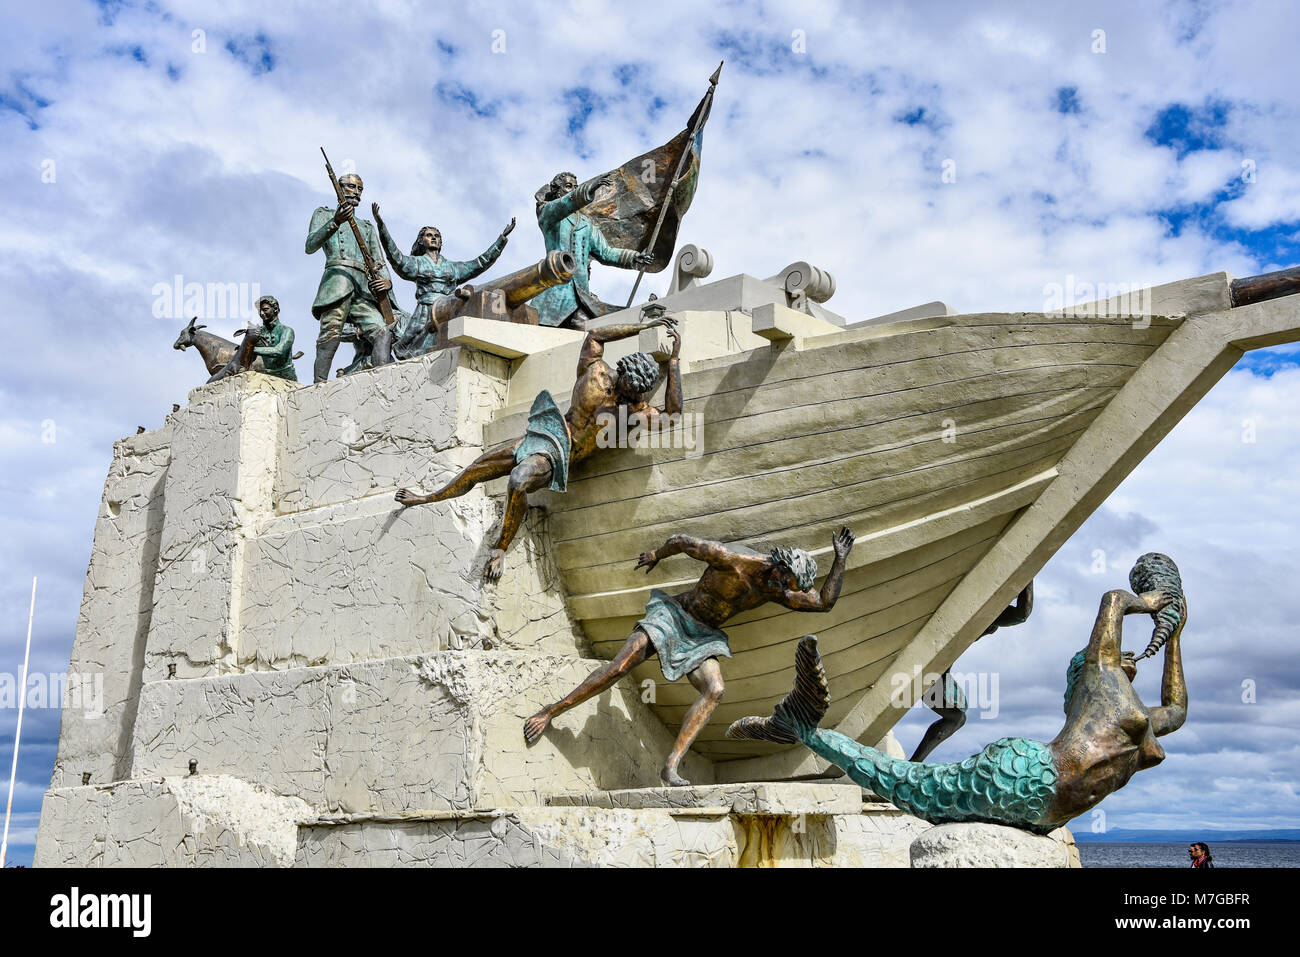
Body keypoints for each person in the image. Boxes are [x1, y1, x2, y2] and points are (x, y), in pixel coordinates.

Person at [729, 553, 1188, 835]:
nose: (1126, 658)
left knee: (922, 770)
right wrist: (1151, 602)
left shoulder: (1136, 715)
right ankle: (804, 730)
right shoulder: (1098, 679)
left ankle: (801, 728)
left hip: (1046, 810)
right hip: (1028, 778)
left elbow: (1177, 710)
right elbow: (1112, 600)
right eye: (1116, 654)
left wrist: (1175, 637)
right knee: (915, 787)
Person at [525, 526, 855, 787]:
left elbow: (823, 603)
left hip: (702, 636)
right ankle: (550, 711)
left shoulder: (777, 589)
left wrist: (840, 559)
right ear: (780, 565)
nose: (786, 590)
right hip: (674, 616)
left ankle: (671, 766)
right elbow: (683, 541)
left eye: (792, 586)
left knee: (715, 690)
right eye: (786, 581)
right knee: (619, 668)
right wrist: (657, 553)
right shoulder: (734, 561)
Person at [395, 309, 682, 581]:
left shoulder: (630, 412)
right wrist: (643, 326)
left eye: (633, 394)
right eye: (626, 389)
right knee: (478, 467)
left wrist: (674, 363)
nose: (626, 397)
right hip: (546, 434)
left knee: (518, 480)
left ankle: (500, 549)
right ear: (623, 374)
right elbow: (595, 335)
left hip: (558, 457)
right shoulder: (594, 372)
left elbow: (672, 415)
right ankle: (428, 497)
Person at [910, 582, 1034, 761]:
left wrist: (1029, 576)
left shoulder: (987, 613)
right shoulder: (979, 608)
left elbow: (1021, 615)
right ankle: (915, 763)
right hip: (928, 666)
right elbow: (1021, 615)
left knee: (957, 717)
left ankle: (915, 764)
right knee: (956, 717)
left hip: (935, 672)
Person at [372, 203, 514, 358]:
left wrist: (502, 239)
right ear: (421, 241)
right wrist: (381, 227)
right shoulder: (417, 263)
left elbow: (480, 263)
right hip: (425, 312)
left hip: (448, 309)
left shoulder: (452, 268)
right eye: (429, 235)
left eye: (436, 236)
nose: (433, 238)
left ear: (440, 242)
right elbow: (396, 257)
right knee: (411, 350)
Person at [304, 171, 401, 382]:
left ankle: (382, 380)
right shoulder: (324, 213)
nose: (356, 192)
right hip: (337, 281)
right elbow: (310, 245)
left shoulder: (366, 226)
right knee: (331, 334)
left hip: (364, 289)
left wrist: (387, 281)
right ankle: (319, 383)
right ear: (339, 188)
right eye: (351, 187)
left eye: (360, 189)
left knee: (383, 331)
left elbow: (379, 261)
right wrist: (336, 221)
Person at [531, 171, 652, 329]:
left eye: (576, 187)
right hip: (554, 293)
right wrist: (588, 188)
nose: (573, 189)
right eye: (568, 186)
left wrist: (634, 257)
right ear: (556, 191)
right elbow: (563, 204)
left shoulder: (586, 224)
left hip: (581, 296)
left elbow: (606, 252)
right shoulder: (549, 214)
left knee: (585, 330)